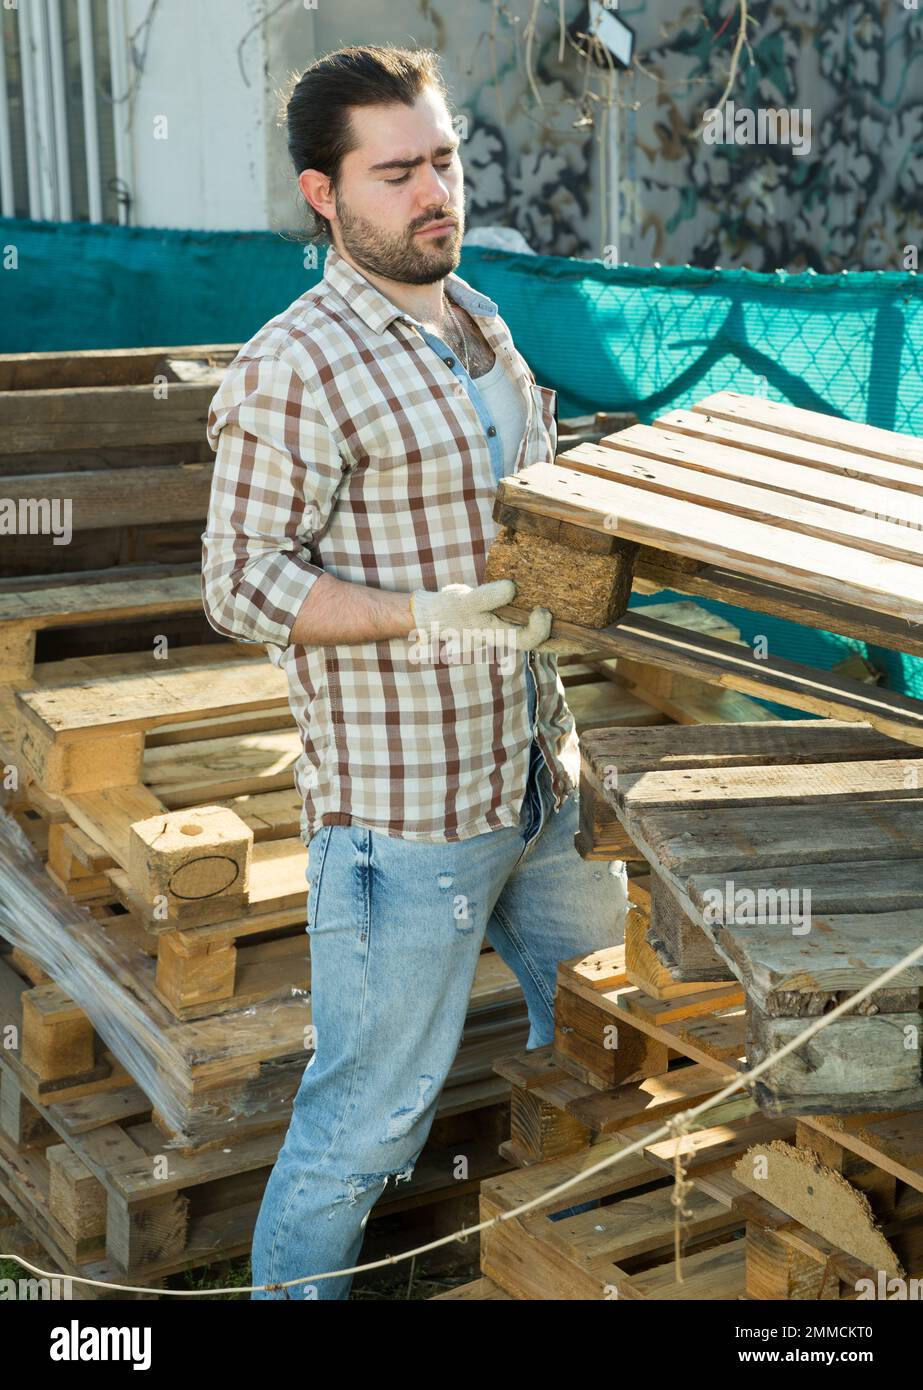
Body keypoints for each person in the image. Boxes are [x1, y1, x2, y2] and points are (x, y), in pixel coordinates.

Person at [201, 42, 628, 1301]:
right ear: (322, 196)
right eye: (396, 173)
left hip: (536, 788)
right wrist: (419, 615)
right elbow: (237, 583)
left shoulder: (478, 318)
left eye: (443, 160)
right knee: (365, 1130)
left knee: (610, 1042)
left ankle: (574, 1269)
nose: (435, 191)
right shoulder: (296, 364)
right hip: (404, 823)